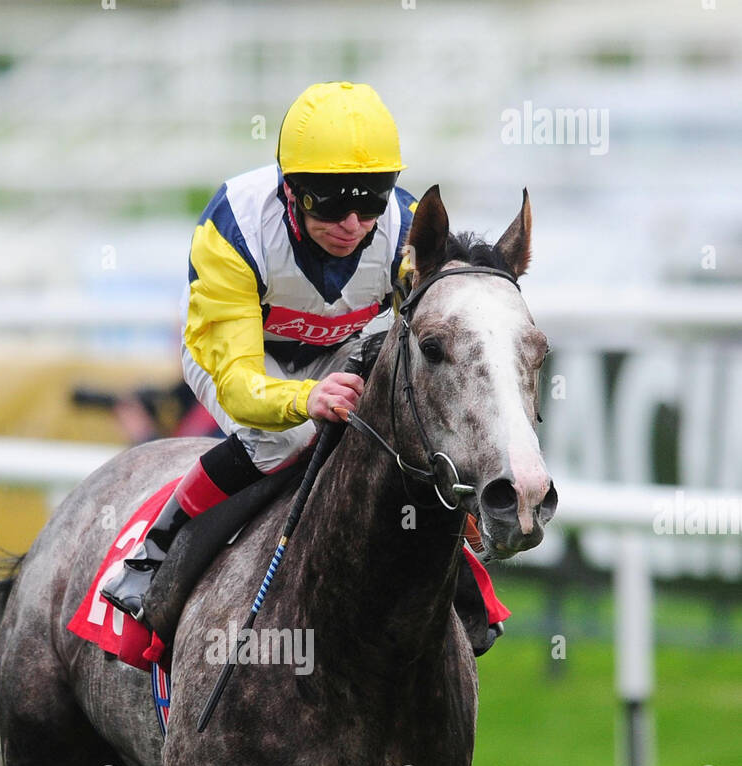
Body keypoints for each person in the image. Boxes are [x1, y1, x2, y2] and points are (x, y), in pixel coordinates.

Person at [101, 81, 504, 652]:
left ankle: (462, 576)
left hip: (339, 345)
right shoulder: (235, 229)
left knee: (397, 425)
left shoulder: (404, 231)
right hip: (237, 354)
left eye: (370, 200)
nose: (352, 223)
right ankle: (155, 552)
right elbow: (242, 389)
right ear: (291, 189)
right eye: (332, 201)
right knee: (284, 439)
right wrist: (305, 399)